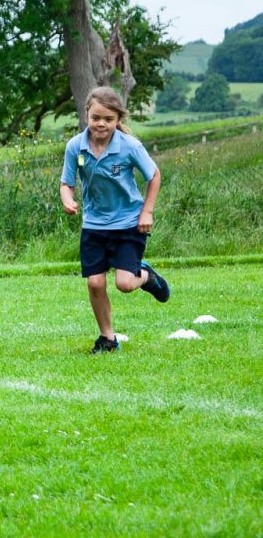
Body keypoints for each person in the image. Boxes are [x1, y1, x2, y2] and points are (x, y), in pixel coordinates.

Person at [59, 85, 169, 354]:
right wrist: (68, 200)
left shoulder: (129, 146)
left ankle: (146, 276)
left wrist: (147, 212)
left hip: (129, 224)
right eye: (96, 118)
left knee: (125, 284)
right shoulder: (76, 146)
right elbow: (66, 182)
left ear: (118, 120)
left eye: (108, 119)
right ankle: (107, 338)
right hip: (94, 226)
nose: (101, 124)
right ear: (87, 114)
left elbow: (153, 176)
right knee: (95, 283)